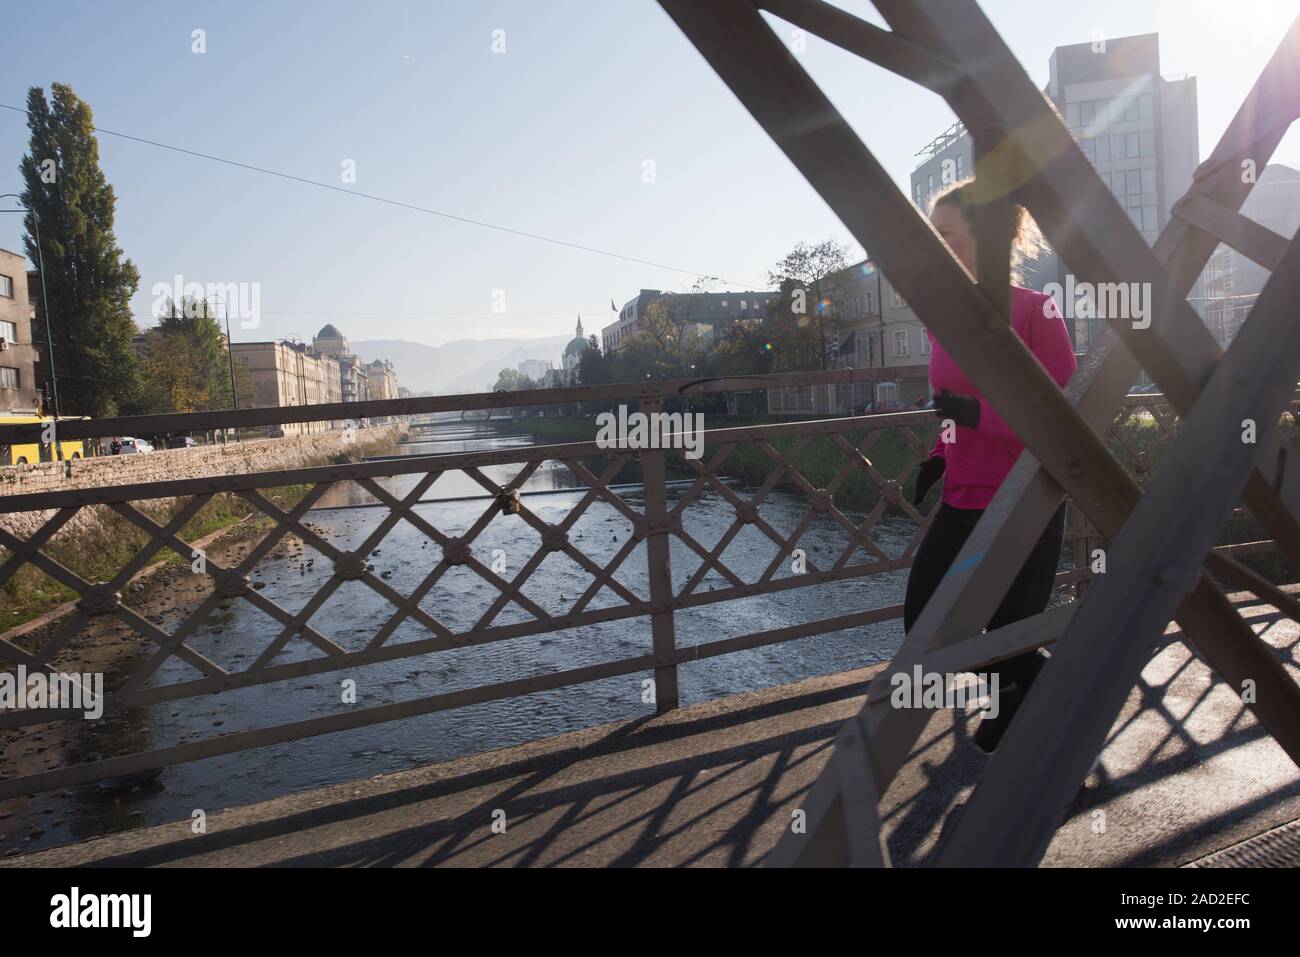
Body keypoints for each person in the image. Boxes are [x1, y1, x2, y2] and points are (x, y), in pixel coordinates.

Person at [905, 178, 1077, 754]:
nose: (936, 246)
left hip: (1024, 501)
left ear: (988, 235)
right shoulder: (945, 320)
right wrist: (936, 456)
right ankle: (1039, 693)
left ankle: (1054, 760)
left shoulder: (1036, 312)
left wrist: (973, 414)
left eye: (946, 234)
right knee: (922, 624)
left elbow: (1049, 416)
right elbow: (950, 410)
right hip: (962, 497)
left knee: (1009, 641)